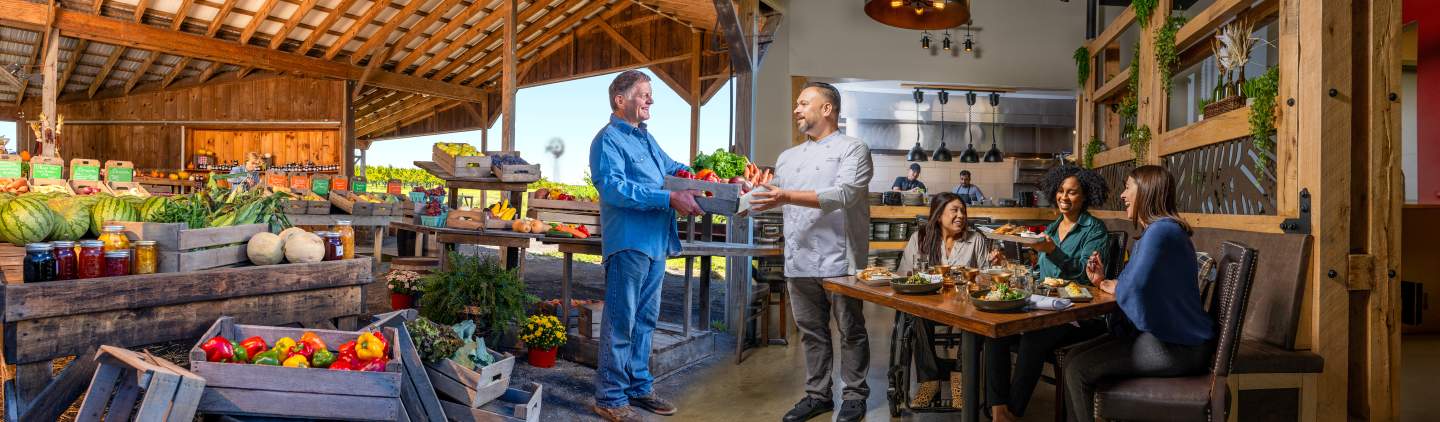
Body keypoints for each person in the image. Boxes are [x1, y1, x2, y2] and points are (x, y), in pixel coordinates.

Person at [750, 82, 873, 422]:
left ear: (827, 109)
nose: (796, 109)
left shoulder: (854, 149)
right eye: (797, 104)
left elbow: (845, 193)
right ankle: (818, 395)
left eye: (804, 103)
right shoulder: (787, 157)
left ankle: (854, 394)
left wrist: (784, 195)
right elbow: (777, 200)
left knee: (851, 329)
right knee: (811, 332)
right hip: (799, 256)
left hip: (840, 259)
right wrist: (754, 193)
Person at [587, 70, 705, 422]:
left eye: (650, 94)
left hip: (655, 242)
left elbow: (674, 169)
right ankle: (609, 396)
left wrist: (714, 178)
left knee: (646, 320)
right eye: (643, 94)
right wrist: (670, 198)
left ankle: (638, 387)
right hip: (629, 243)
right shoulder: (608, 140)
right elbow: (614, 189)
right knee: (621, 321)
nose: (650, 100)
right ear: (621, 100)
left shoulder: (645, 140)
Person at [1062, 165, 1215, 422]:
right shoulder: (1159, 231)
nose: (1122, 195)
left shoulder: (1162, 231)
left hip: (1178, 347)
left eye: (1128, 187)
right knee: (1071, 359)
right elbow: (1135, 283)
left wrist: (1118, 285)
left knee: (1077, 369)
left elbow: (1133, 287)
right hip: (1168, 338)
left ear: (1146, 191)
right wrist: (1103, 281)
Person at [984, 165, 1110, 422]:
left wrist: (1053, 251)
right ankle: (999, 410)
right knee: (994, 331)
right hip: (1045, 305)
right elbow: (1038, 272)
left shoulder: (1094, 229)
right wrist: (1007, 265)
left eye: (1072, 192)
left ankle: (1014, 413)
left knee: (1034, 337)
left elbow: (1088, 277)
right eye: (1061, 191)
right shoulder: (1051, 229)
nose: (1064, 197)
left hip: (1077, 314)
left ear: (1085, 196)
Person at [896, 192, 1005, 409]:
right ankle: (930, 380)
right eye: (954, 210)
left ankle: (960, 378)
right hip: (929, 305)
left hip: (965, 306)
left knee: (977, 318)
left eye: (963, 211)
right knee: (916, 312)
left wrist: (995, 264)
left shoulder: (976, 240)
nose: (960, 215)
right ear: (938, 216)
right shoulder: (919, 238)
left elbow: (988, 280)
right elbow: (905, 274)